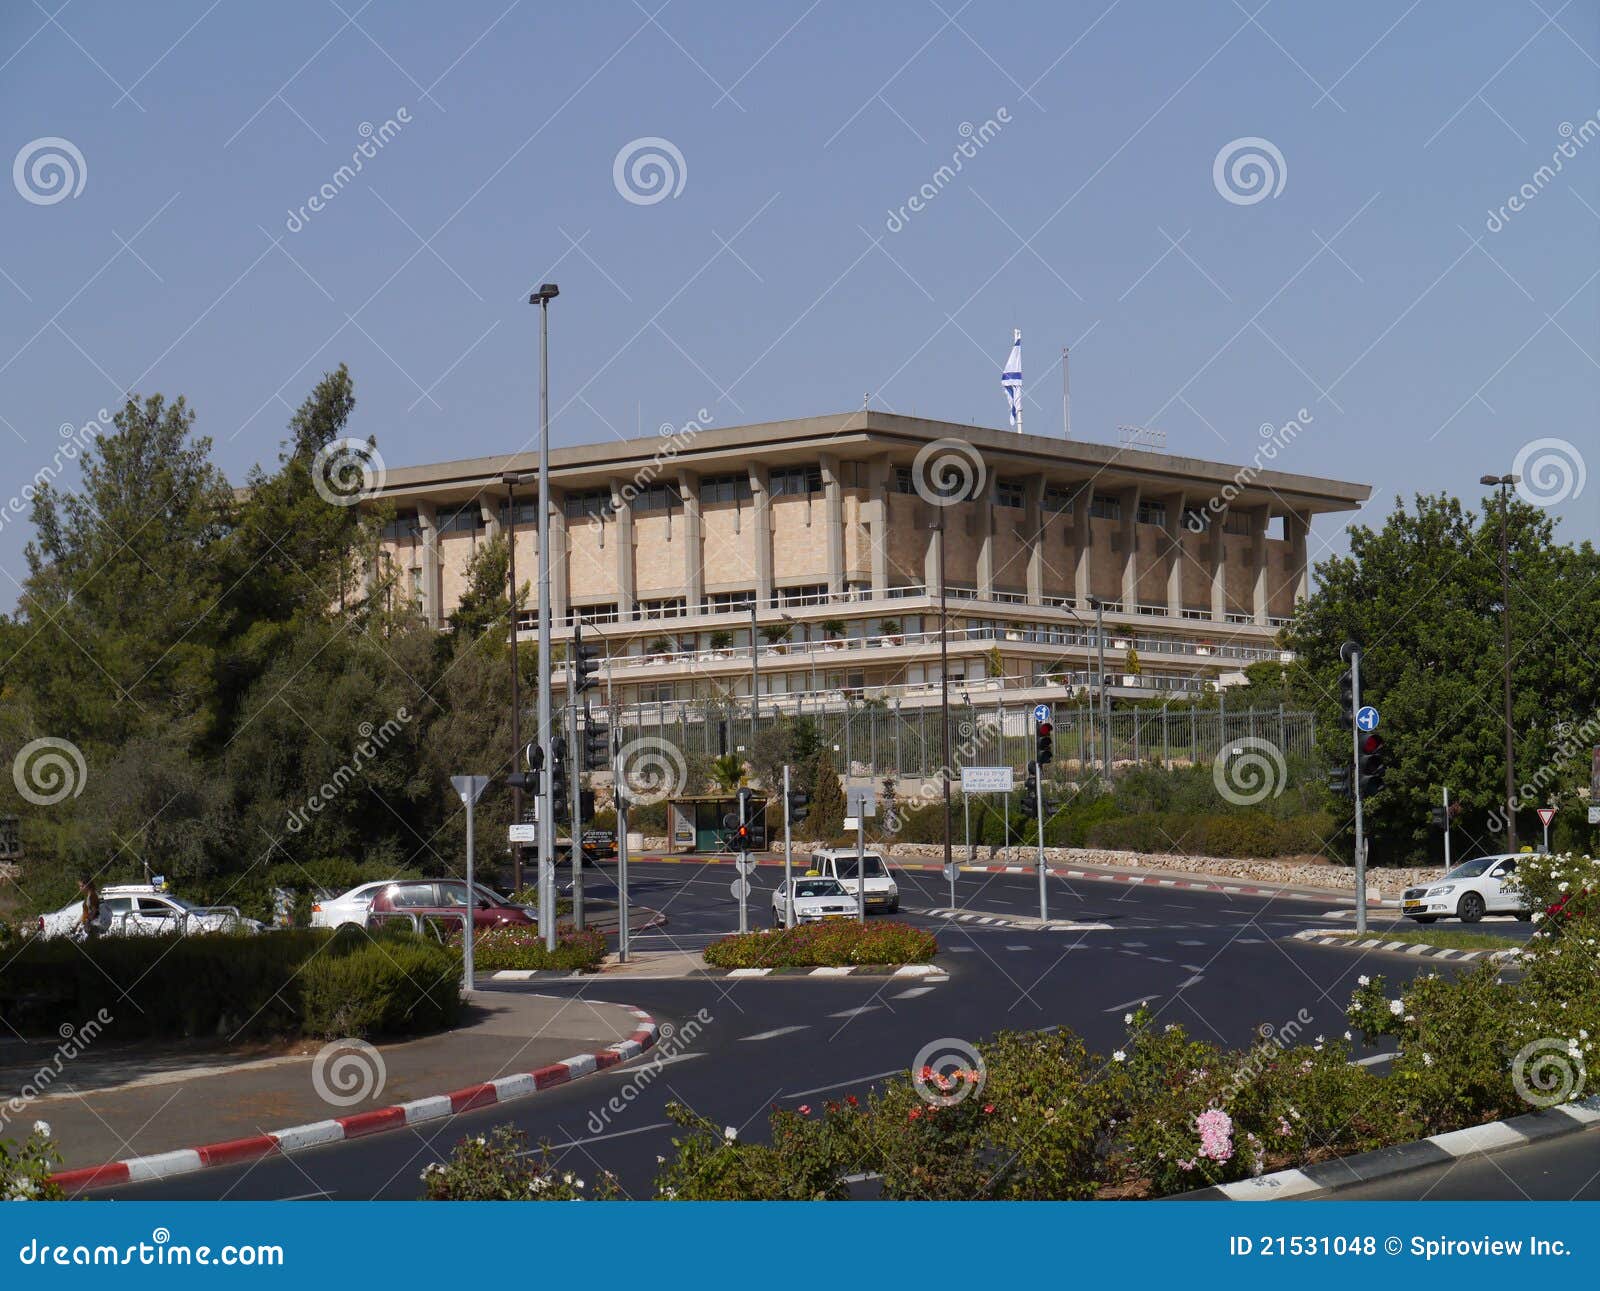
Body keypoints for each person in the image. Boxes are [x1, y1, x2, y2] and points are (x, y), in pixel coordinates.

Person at [77, 875, 103, 940]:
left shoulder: (92, 896)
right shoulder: (88, 896)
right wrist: (78, 923)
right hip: (89, 925)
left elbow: (95, 910)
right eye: (79, 886)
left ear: (88, 886)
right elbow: (85, 912)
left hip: (93, 925)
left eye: (82, 886)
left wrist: (88, 921)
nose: (80, 888)